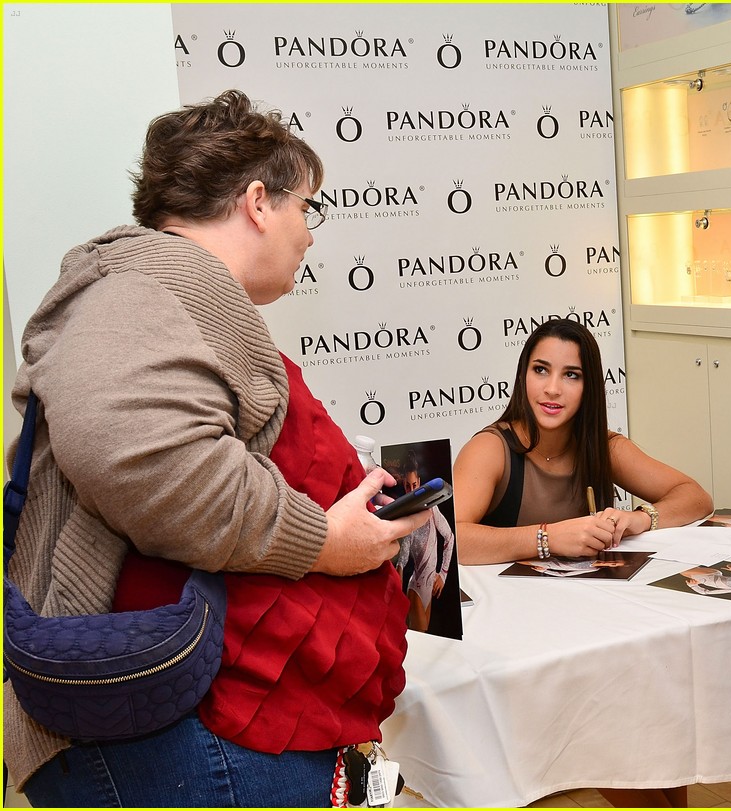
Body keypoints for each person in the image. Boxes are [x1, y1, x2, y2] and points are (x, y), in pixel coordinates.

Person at [4, 89, 432, 807]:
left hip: (199, 729)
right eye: (307, 208)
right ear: (258, 202)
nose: (310, 233)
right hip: (174, 735)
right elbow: (140, 457)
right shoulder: (136, 292)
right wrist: (325, 539)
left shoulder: (167, 297)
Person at [453, 318, 713, 566]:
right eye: (541, 370)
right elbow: (453, 539)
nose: (553, 389)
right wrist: (548, 538)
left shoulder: (605, 447)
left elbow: (696, 497)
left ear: (589, 387)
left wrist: (641, 519)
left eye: (571, 375)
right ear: (523, 376)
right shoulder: (491, 448)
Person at [394, 452, 455, 632]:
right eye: (407, 486)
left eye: (414, 485)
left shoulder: (432, 509)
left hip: (430, 588)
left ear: (419, 482)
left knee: (424, 639)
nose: (411, 490)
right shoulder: (405, 517)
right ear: (403, 486)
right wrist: (396, 599)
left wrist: (443, 574)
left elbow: (449, 538)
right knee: (421, 639)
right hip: (416, 589)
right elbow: (402, 562)